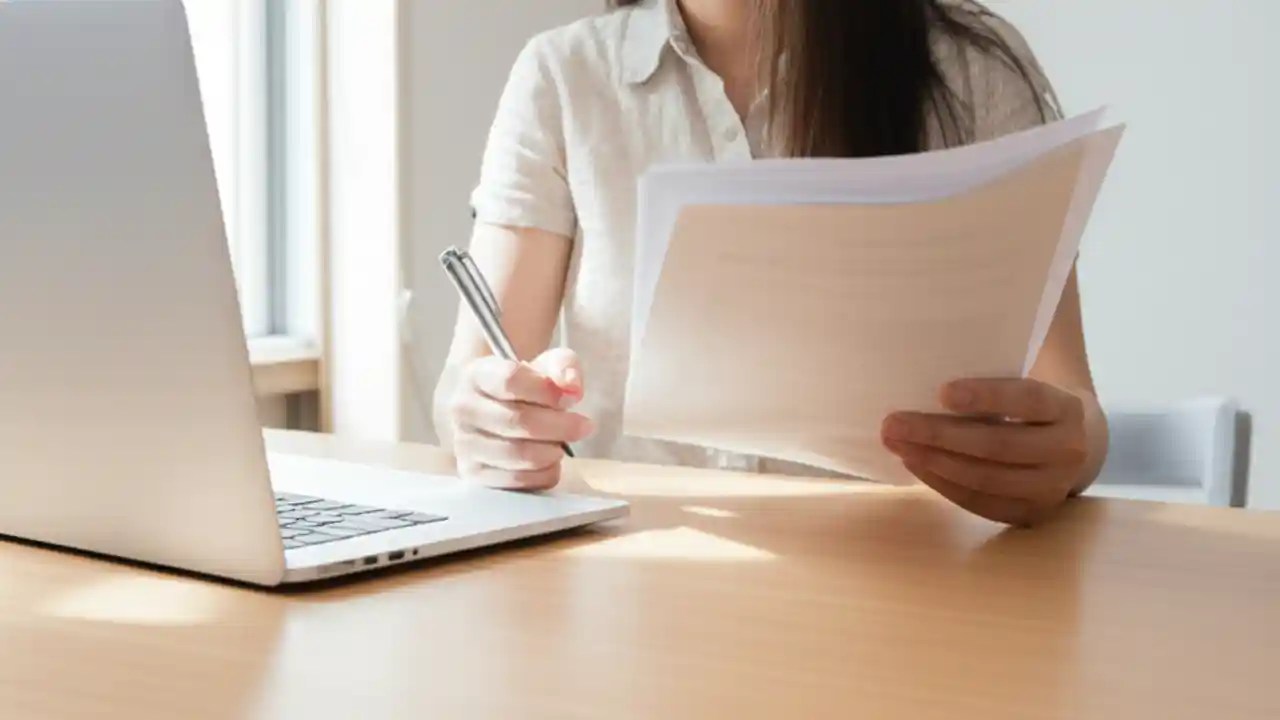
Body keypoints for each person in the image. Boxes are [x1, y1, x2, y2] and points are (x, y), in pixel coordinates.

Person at [433, 0, 1109, 526]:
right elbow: (467, 387)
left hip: (912, 590)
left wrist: (1065, 452)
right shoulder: (562, 76)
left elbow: (1076, 406)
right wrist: (491, 417)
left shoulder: (969, 76)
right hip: (633, 590)